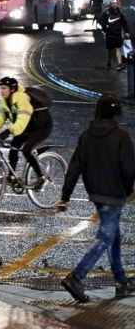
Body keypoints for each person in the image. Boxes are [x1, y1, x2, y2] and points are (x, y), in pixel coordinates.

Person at [58, 94, 135, 303]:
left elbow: (74, 167)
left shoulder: (86, 135)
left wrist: (65, 196)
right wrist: (128, 189)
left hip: (96, 194)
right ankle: (76, 276)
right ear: (117, 113)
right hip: (114, 194)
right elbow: (128, 169)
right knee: (105, 237)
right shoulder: (121, 137)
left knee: (113, 235)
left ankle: (121, 281)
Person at [0, 77, 52, 187]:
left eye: (4, 88)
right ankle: (11, 176)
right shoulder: (5, 102)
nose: (1, 91)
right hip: (26, 128)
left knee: (27, 150)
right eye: (0, 88)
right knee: (14, 147)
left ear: (12, 89)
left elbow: (22, 120)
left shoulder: (22, 99)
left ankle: (42, 178)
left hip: (41, 127)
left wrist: (8, 131)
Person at [96, 1, 130, 70]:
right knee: (110, 50)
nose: (114, 5)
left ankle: (120, 64)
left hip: (117, 34)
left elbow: (124, 23)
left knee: (118, 49)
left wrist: (127, 31)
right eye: (113, 3)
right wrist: (105, 26)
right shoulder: (107, 13)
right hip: (109, 35)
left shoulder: (120, 13)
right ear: (110, 5)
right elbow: (100, 20)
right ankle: (108, 64)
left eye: (115, 3)